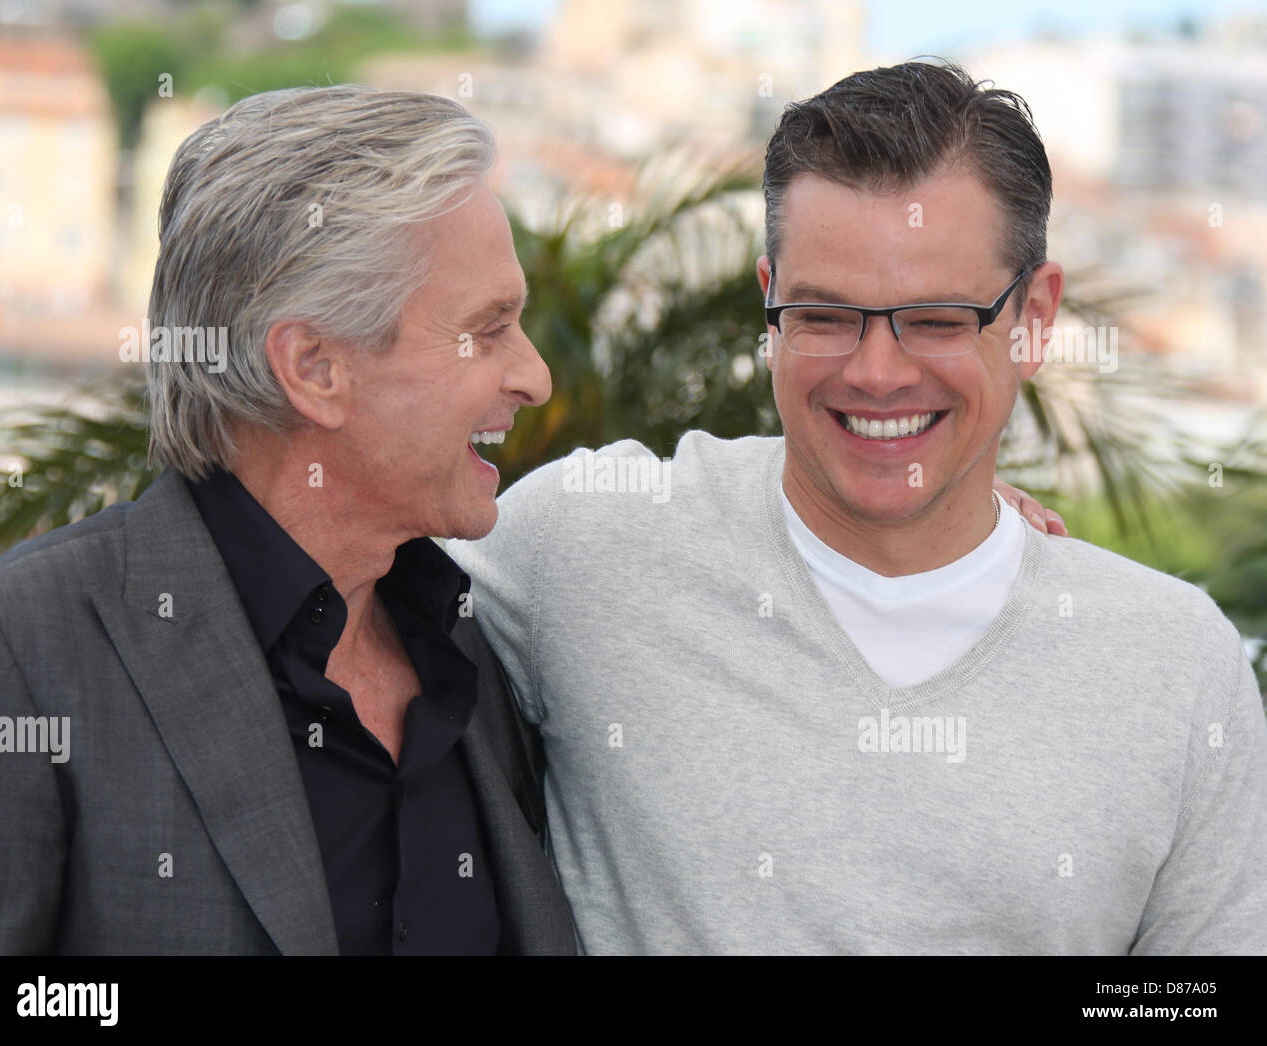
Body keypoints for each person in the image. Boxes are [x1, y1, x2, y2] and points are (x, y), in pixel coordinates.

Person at [449, 61, 1267, 955]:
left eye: (939, 319)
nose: (878, 373)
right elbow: (312, 583)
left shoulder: (1177, 664)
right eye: (826, 316)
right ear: (770, 305)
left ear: (1033, 317)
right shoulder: (584, 543)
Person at [0, 86, 575, 955]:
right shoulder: (15, 653)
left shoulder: (474, 650)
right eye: (490, 329)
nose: (535, 377)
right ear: (313, 367)